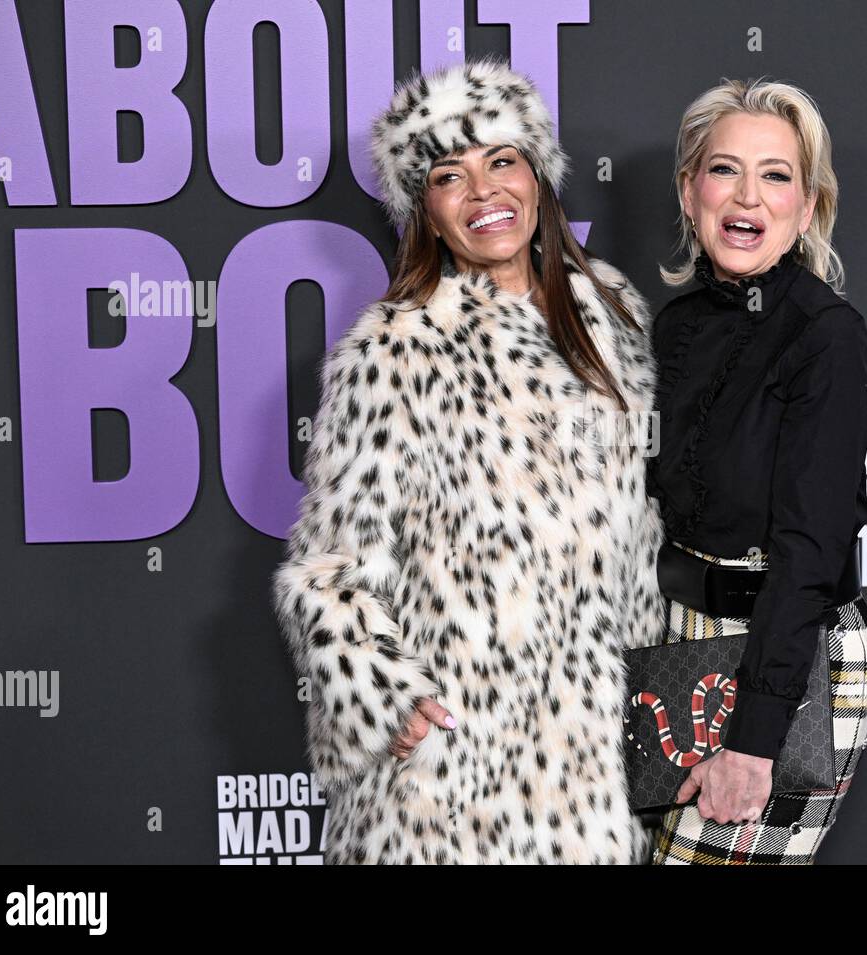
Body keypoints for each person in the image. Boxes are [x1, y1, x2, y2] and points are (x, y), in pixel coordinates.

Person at [271, 56, 667, 864]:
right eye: (450, 175)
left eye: (502, 161)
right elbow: (325, 573)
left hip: (598, 778)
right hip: (452, 796)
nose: (484, 192)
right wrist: (385, 694)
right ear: (427, 210)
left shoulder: (619, 320)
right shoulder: (392, 353)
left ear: (539, 176)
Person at [646, 77, 867, 864]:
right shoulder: (672, 326)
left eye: (776, 175)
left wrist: (753, 743)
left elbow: (810, 554)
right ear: (689, 191)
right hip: (678, 641)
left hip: (789, 657)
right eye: (724, 170)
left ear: (807, 207)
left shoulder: (827, 338)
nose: (748, 195)